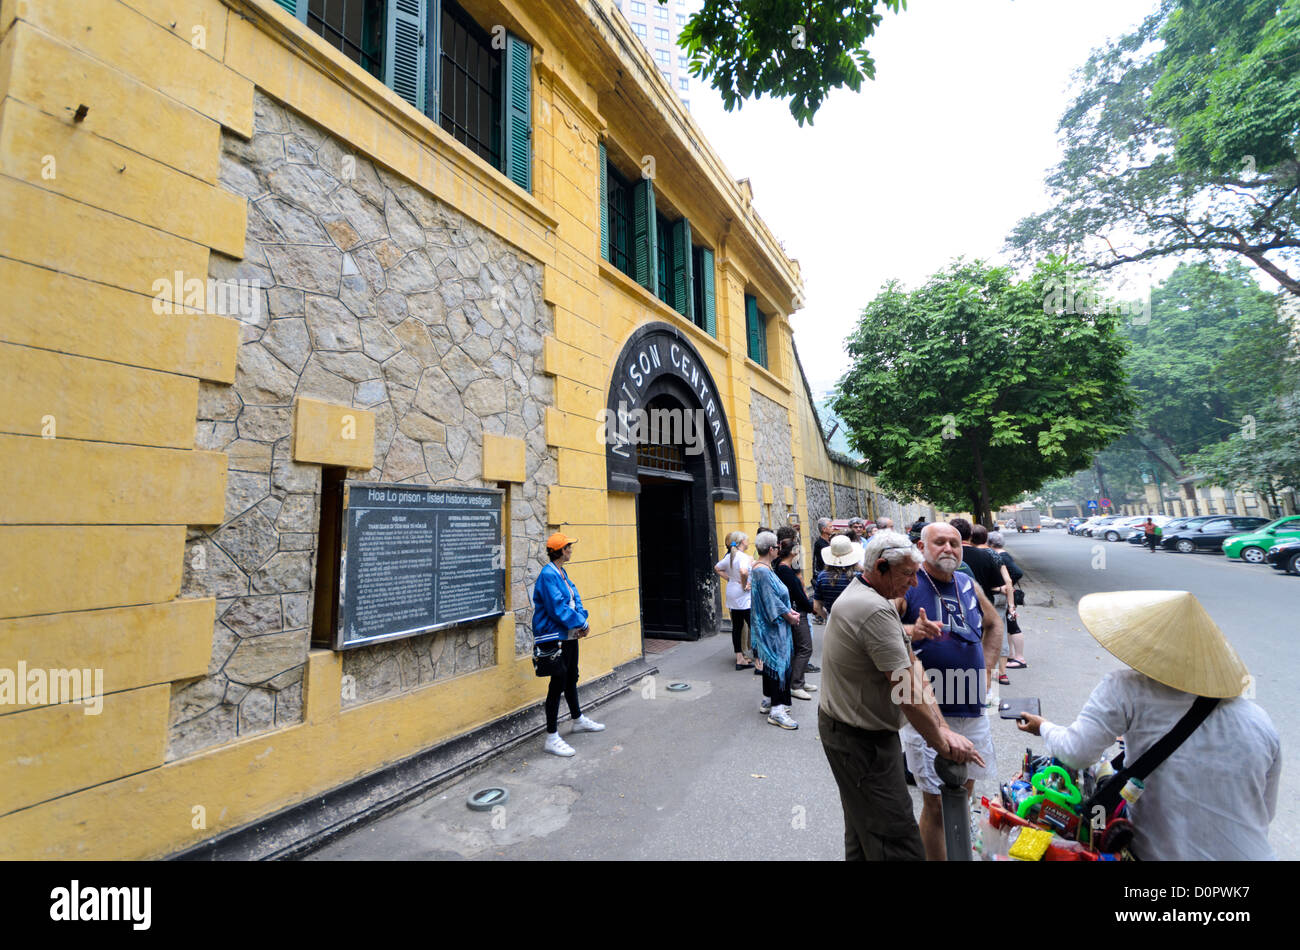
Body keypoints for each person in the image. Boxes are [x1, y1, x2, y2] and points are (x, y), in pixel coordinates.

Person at [1016, 590, 1280, 860]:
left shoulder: (1126, 687)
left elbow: (1076, 752)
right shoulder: (1260, 721)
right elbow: (1264, 812)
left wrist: (1044, 727)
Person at [820, 530, 984, 861]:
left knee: (864, 830)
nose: (913, 584)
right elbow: (907, 691)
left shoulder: (876, 600)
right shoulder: (874, 609)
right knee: (896, 839)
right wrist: (943, 744)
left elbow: (913, 666)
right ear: (881, 567)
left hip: (854, 734)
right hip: (861, 741)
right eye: (908, 574)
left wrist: (943, 728)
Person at [897, 522, 1002, 860]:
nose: (948, 549)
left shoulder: (968, 583)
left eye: (954, 543)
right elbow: (880, 629)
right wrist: (914, 629)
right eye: (939, 542)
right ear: (922, 547)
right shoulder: (910, 585)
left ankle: (961, 853)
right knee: (937, 803)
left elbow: (994, 624)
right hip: (928, 711)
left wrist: (986, 669)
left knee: (965, 795)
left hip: (971, 707)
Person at [531, 533, 605, 756]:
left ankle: (577, 719)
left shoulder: (561, 573)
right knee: (558, 683)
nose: (571, 550)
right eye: (569, 547)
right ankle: (552, 737)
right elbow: (557, 608)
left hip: (568, 634)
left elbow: (575, 598)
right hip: (555, 636)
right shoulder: (548, 575)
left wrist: (582, 620)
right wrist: (580, 621)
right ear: (562, 550)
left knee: (571, 676)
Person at [748, 531, 800, 730]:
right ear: (771, 549)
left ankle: (769, 700)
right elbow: (772, 603)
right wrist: (790, 616)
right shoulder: (762, 570)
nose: (778, 549)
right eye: (777, 547)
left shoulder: (761, 568)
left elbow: (775, 599)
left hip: (770, 626)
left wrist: (789, 610)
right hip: (772, 628)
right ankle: (776, 710)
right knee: (777, 665)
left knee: (771, 664)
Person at [774, 529, 817, 701]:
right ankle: (796, 684)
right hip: (797, 611)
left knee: (798, 648)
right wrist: (810, 607)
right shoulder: (785, 570)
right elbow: (797, 593)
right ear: (793, 552)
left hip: (793, 610)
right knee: (805, 647)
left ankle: (798, 680)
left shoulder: (781, 566)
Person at [715, 532, 754, 670]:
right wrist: (744, 585)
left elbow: (717, 568)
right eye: (747, 540)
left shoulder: (730, 556)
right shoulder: (742, 557)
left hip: (732, 592)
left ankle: (739, 659)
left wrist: (730, 579)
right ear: (742, 541)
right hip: (743, 595)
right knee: (753, 625)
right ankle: (759, 659)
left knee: (737, 627)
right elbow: (744, 572)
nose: (748, 542)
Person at [987, 531, 1026, 670]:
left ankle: (1020, 658)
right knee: (1009, 626)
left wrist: (1007, 585)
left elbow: (1017, 572)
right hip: (1007, 593)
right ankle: (1010, 655)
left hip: (1008, 594)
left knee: (1013, 626)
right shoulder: (1002, 554)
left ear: (991, 543)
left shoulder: (1002, 555)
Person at [814, 535, 861, 621]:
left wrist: (828, 618)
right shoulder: (858, 577)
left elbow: (817, 607)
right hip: (855, 622)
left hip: (833, 622)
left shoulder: (822, 577)